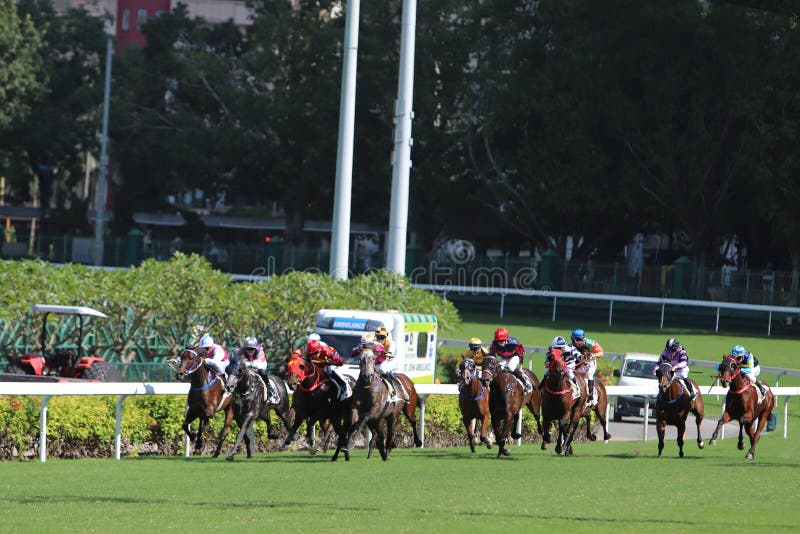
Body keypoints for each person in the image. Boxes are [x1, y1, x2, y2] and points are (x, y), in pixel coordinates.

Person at [228, 336, 278, 400]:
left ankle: (271, 390)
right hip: (244, 369)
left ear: (256, 348)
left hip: (258, 368)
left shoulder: (260, 351)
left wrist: (248, 363)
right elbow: (234, 363)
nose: (250, 351)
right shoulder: (238, 352)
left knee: (262, 372)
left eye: (252, 349)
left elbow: (261, 365)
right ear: (244, 348)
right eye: (248, 349)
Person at [488, 327, 532, 394]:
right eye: (498, 341)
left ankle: (526, 382)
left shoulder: (514, 343)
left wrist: (520, 368)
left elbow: (521, 353)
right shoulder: (494, 344)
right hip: (504, 357)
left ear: (506, 339)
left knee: (511, 367)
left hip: (515, 356)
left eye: (502, 341)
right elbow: (491, 354)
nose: (500, 343)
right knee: (500, 368)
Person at [571, 328, 604, 406]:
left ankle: (591, 394)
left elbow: (601, 352)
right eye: (575, 339)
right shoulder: (571, 345)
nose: (577, 342)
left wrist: (594, 355)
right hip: (578, 363)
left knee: (589, 374)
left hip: (590, 363)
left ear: (583, 338)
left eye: (579, 339)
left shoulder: (591, 343)